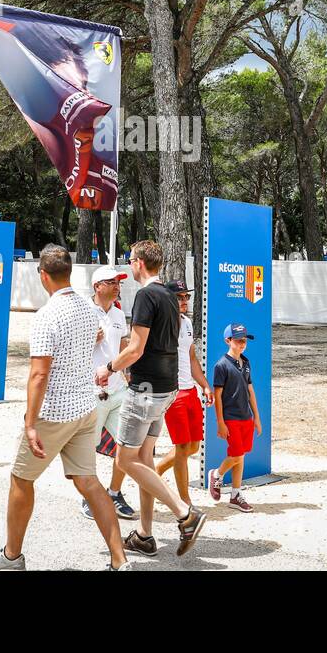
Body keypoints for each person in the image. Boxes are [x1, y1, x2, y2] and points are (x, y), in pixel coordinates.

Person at [0, 245, 128, 571]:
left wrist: (31, 422)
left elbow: (39, 373)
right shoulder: (90, 311)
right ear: (69, 272)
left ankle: (11, 557)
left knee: (21, 479)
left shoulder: (47, 315)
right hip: (85, 408)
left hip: (55, 412)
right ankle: (120, 561)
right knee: (89, 482)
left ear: (43, 275)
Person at [93, 239, 207, 558]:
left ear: (140, 262)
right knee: (144, 460)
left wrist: (108, 368)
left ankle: (186, 514)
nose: (129, 264)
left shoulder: (145, 295)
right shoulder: (171, 298)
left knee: (125, 460)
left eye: (131, 260)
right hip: (165, 390)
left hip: (144, 391)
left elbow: (137, 348)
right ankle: (144, 534)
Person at [78, 265, 135, 520]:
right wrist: (87, 340)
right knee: (88, 448)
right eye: (111, 282)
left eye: (119, 282)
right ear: (97, 286)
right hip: (92, 392)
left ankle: (114, 492)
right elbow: (65, 351)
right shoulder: (82, 312)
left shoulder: (118, 313)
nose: (117, 286)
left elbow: (124, 345)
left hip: (118, 389)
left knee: (127, 445)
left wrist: (129, 373)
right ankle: (89, 495)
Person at [156, 280, 213, 507]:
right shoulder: (162, 324)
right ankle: (184, 501)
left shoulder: (187, 323)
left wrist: (205, 386)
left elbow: (191, 359)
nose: (184, 301)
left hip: (190, 391)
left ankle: (155, 471)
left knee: (193, 446)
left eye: (186, 297)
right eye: (179, 297)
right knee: (181, 447)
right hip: (173, 392)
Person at [207, 323, 262, 513]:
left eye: (244, 341)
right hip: (230, 418)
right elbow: (218, 396)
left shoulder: (246, 363)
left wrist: (257, 417)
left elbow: (250, 390)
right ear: (228, 341)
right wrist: (220, 422)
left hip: (246, 417)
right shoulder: (221, 366)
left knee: (241, 456)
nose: (242, 344)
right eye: (238, 341)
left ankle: (235, 495)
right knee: (237, 454)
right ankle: (217, 474)